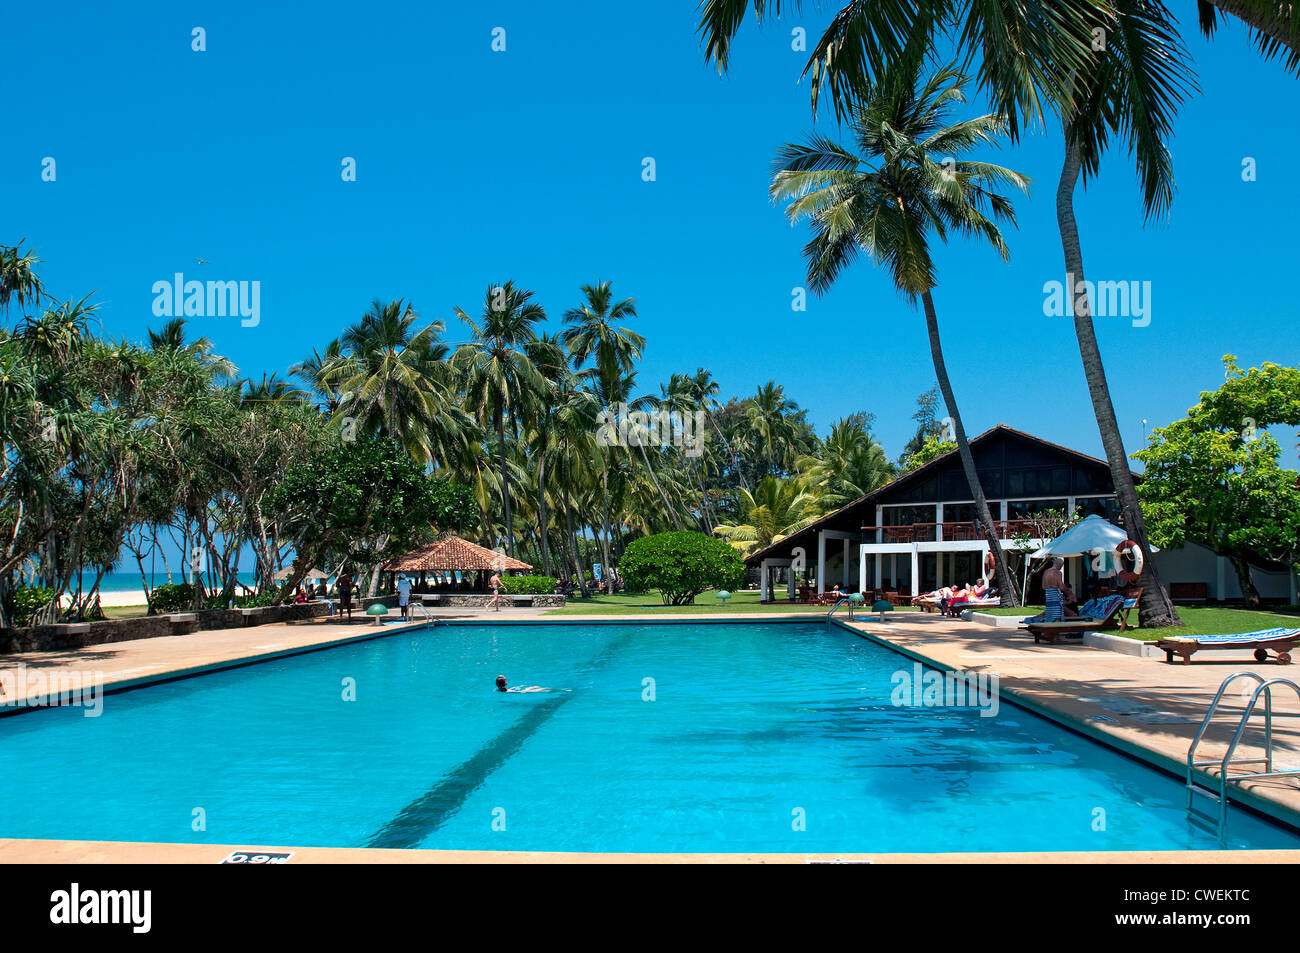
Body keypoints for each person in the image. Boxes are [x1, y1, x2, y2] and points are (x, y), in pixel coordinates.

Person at [1042, 557, 1066, 622]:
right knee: (1057, 615)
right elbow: (1061, 586)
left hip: (1048, 595)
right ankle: (1057, 628)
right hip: (1056, 594)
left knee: (1050, 614)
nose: (1061, 568)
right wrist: (1066, 590)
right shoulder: (1058, 573)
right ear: (1058, 564)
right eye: (1061, 566)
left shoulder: (1046, 572)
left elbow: (1043, 586)